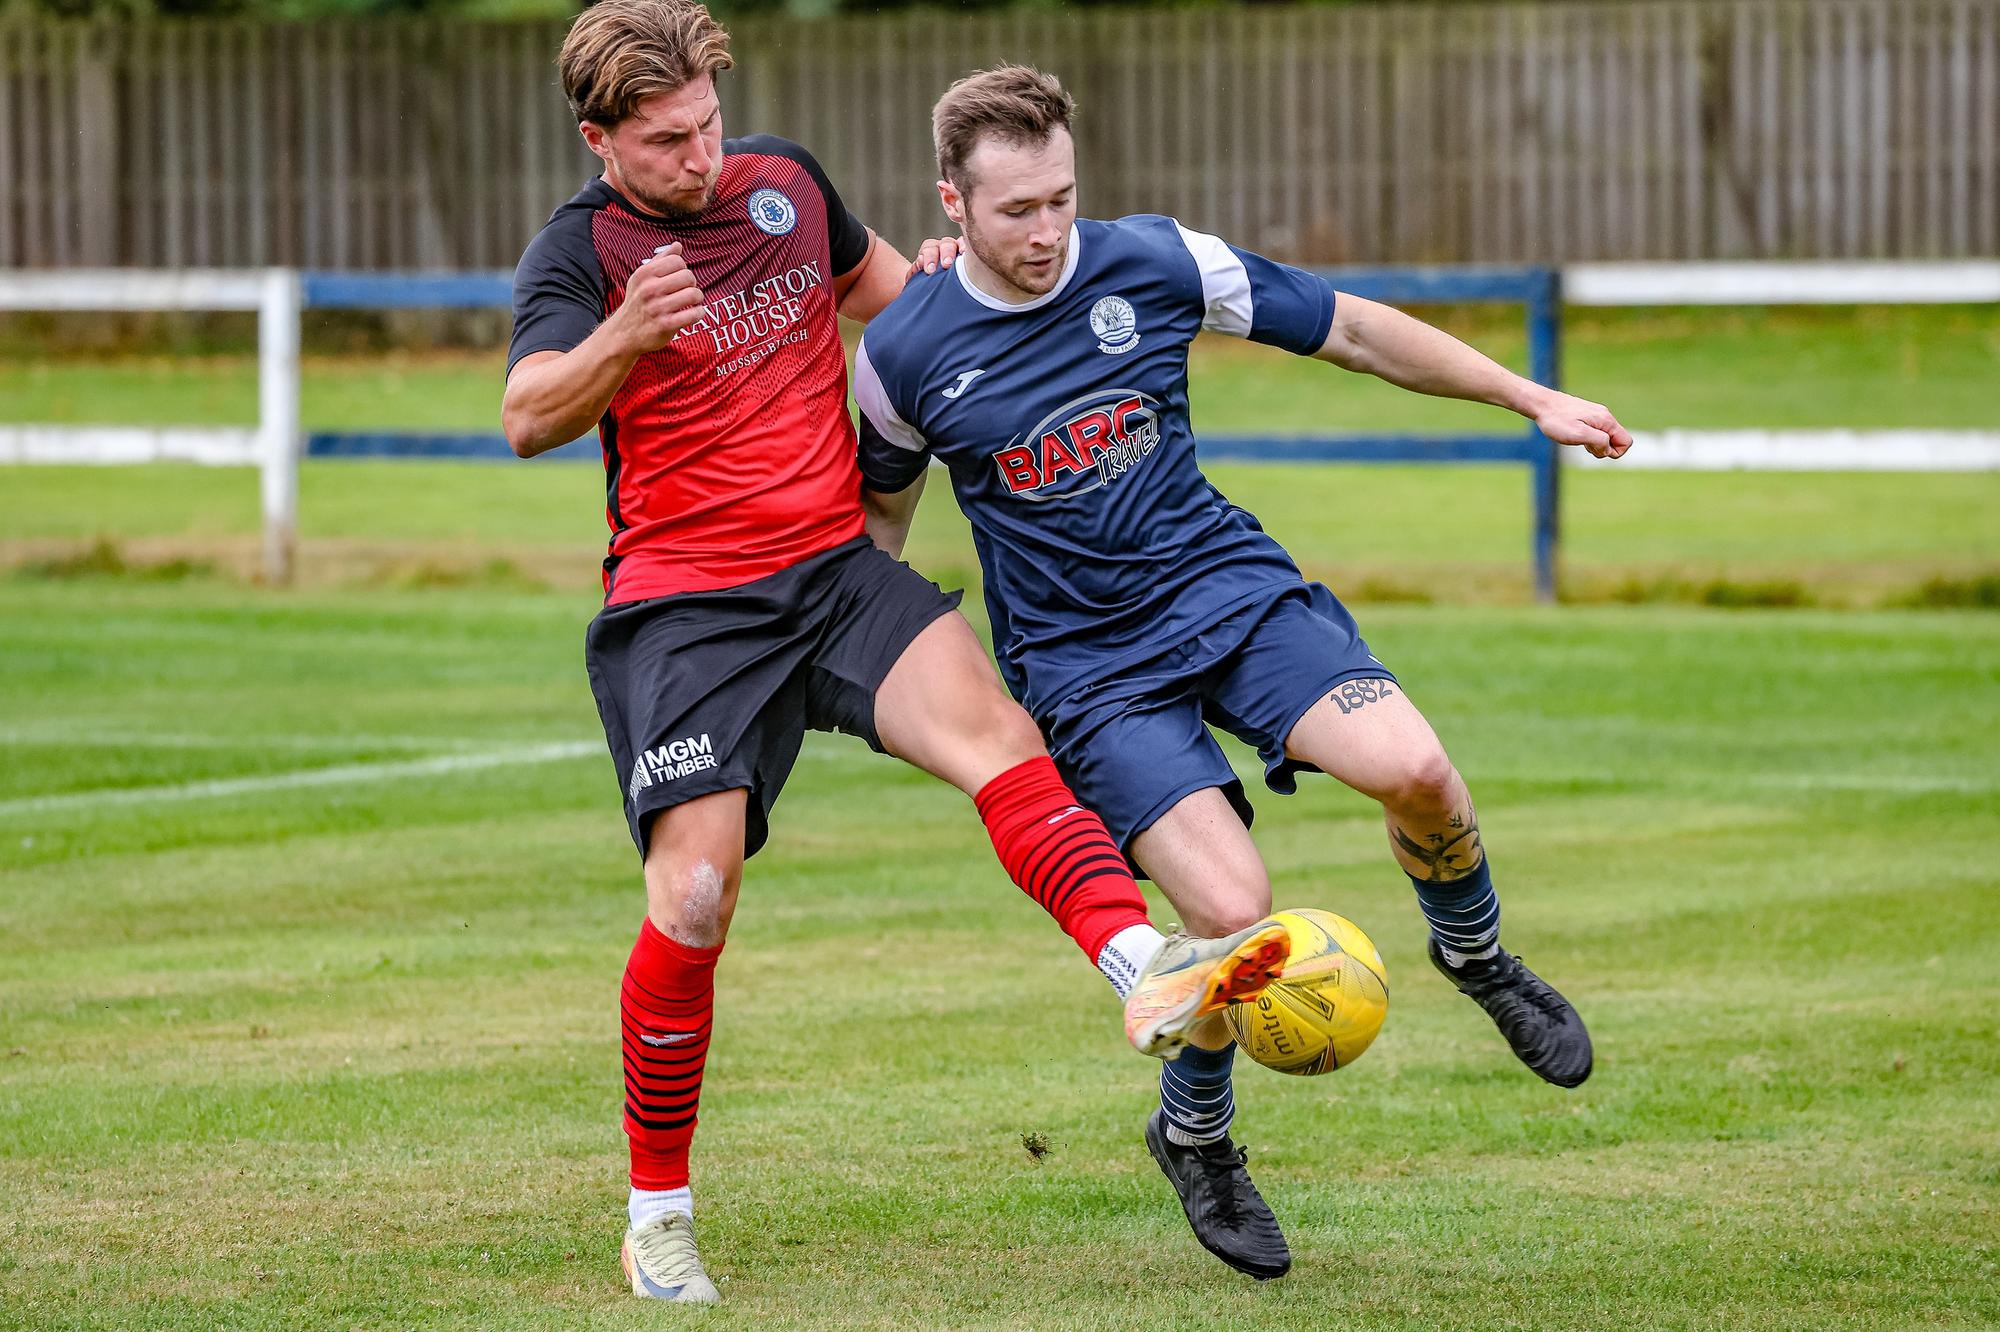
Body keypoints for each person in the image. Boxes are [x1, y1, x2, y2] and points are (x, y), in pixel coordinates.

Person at [501, 6, 1290, 1306]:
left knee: (1000, 739)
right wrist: (622, 339)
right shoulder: (577, 255)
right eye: (664, 140)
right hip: (690, 609)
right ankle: (658, 1214)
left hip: (834, 568)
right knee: (693, 900)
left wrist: (940, 272)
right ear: (600, 140)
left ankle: (1142, 967)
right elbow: (530, 414)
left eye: (706, 122)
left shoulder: (784, 186)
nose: (698, 155)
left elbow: (904, 309)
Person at [854, 65, 1632, 1283]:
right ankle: (1196, 1139)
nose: (1046, 231)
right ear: (949, 201)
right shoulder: (902, 354)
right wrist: (865, 677)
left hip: (1227, 592)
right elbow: (878, 532)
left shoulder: (1158, 261)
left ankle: (1474, 953)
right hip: (1087, 671)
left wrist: (1526, 396)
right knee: (1227, 918)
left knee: (1417, 770)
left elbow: (1355, 330)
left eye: (1061, 197)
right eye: (1014, 212)